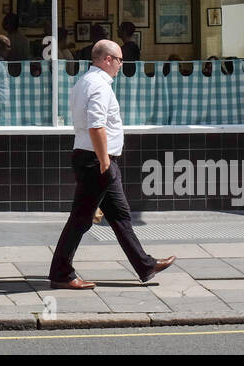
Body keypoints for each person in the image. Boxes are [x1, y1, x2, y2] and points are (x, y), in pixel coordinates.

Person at [49, 39, 176, 288]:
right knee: (81, 220)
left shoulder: (84, 81)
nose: (120, 65)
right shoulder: (99, 86)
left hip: (94, 158)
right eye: (119, 60)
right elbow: (96, 126)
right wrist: (105, 162)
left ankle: (145, 265)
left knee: (120, 216)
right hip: (96, 160)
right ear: (107, 59)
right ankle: (61, 273)